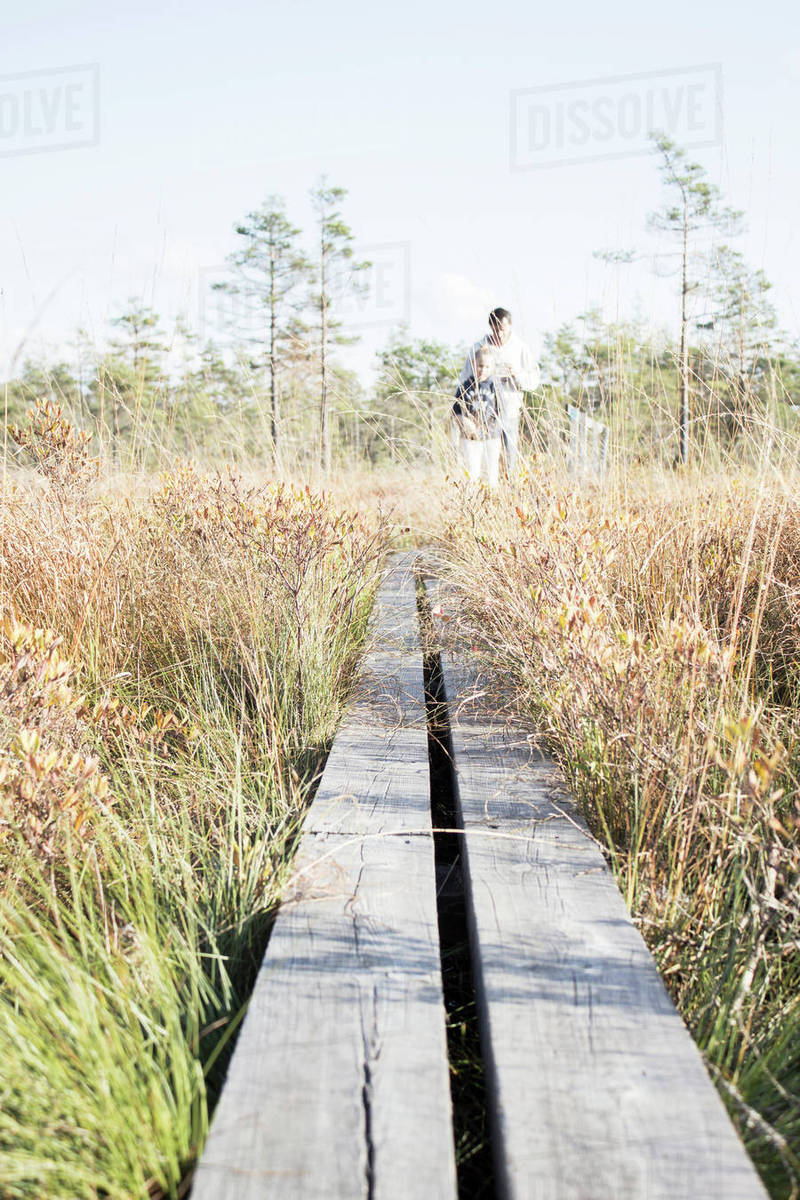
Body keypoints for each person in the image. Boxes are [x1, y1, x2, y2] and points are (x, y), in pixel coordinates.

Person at [460, 307, 539, 479]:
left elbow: (534, 380)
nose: (499, 334)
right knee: (480, 465)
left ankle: (508, 495)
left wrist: (516, 374)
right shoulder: (479, 347)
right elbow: (464, 380)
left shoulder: (520, 348)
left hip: (509, 412)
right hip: (482, 416)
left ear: (509, 326)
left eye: (502, 330)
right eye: (495, 330)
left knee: (509, 459)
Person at [452, 344, 502, 488]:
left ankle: (491, 504)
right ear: (473, 364)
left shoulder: (495, 387)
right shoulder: (465, 386)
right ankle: (472, 504)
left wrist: (489, 427)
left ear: (492, 367)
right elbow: (455, 411)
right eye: (480, 365)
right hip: (470, 439)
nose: (483, 370)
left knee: (490, 475)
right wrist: (464, 421)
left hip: (491, 438)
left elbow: (500, 413)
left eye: (487, 367)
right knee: (471, 475)